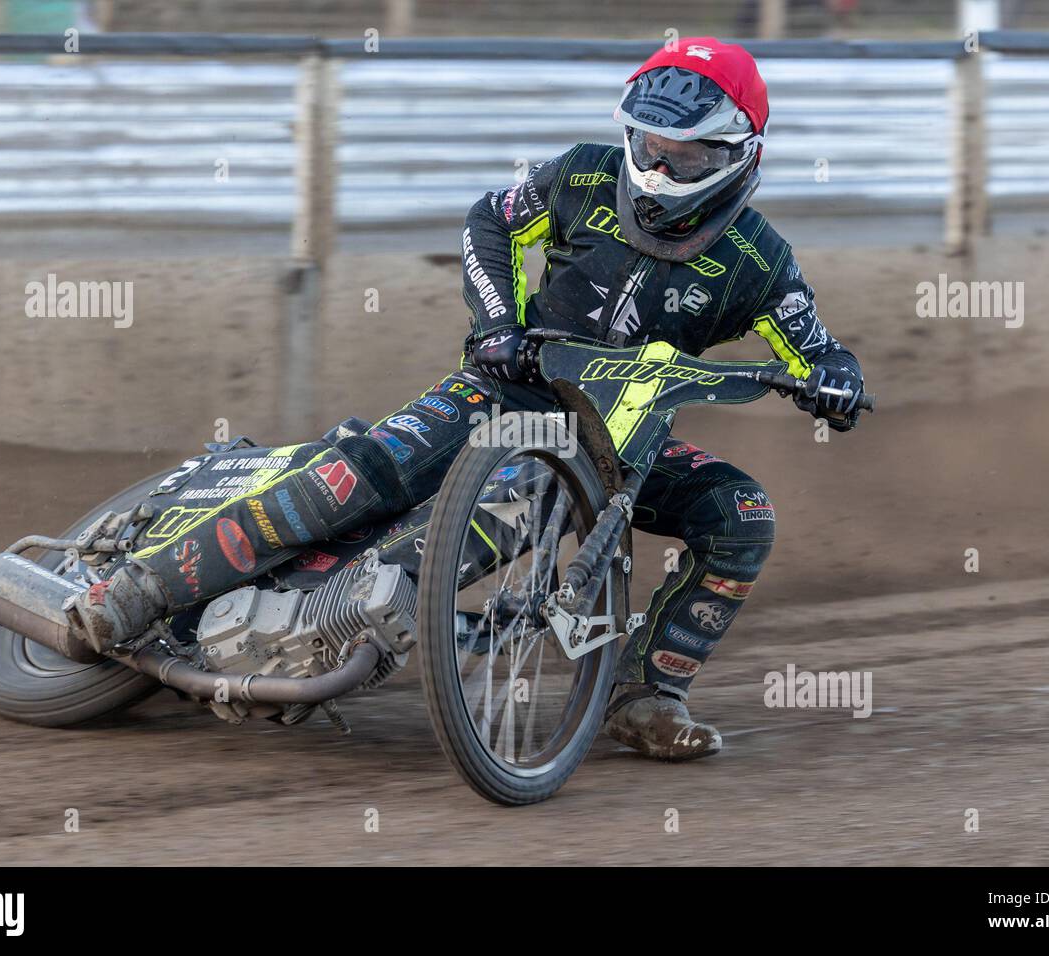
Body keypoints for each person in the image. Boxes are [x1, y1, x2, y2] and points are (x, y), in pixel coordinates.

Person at [69, 37, 866, 762]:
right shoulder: (585, 173)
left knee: (742, 517)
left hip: (617, 443)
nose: (657, 167)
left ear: (739, 154)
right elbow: (489, 220)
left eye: (684, 155)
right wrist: (498, 324)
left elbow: (814, 345)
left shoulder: (760, 261)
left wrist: (838, 379)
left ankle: (646, 694)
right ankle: (138, 589)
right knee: (363, 474)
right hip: (500, 386)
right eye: (650, 143)